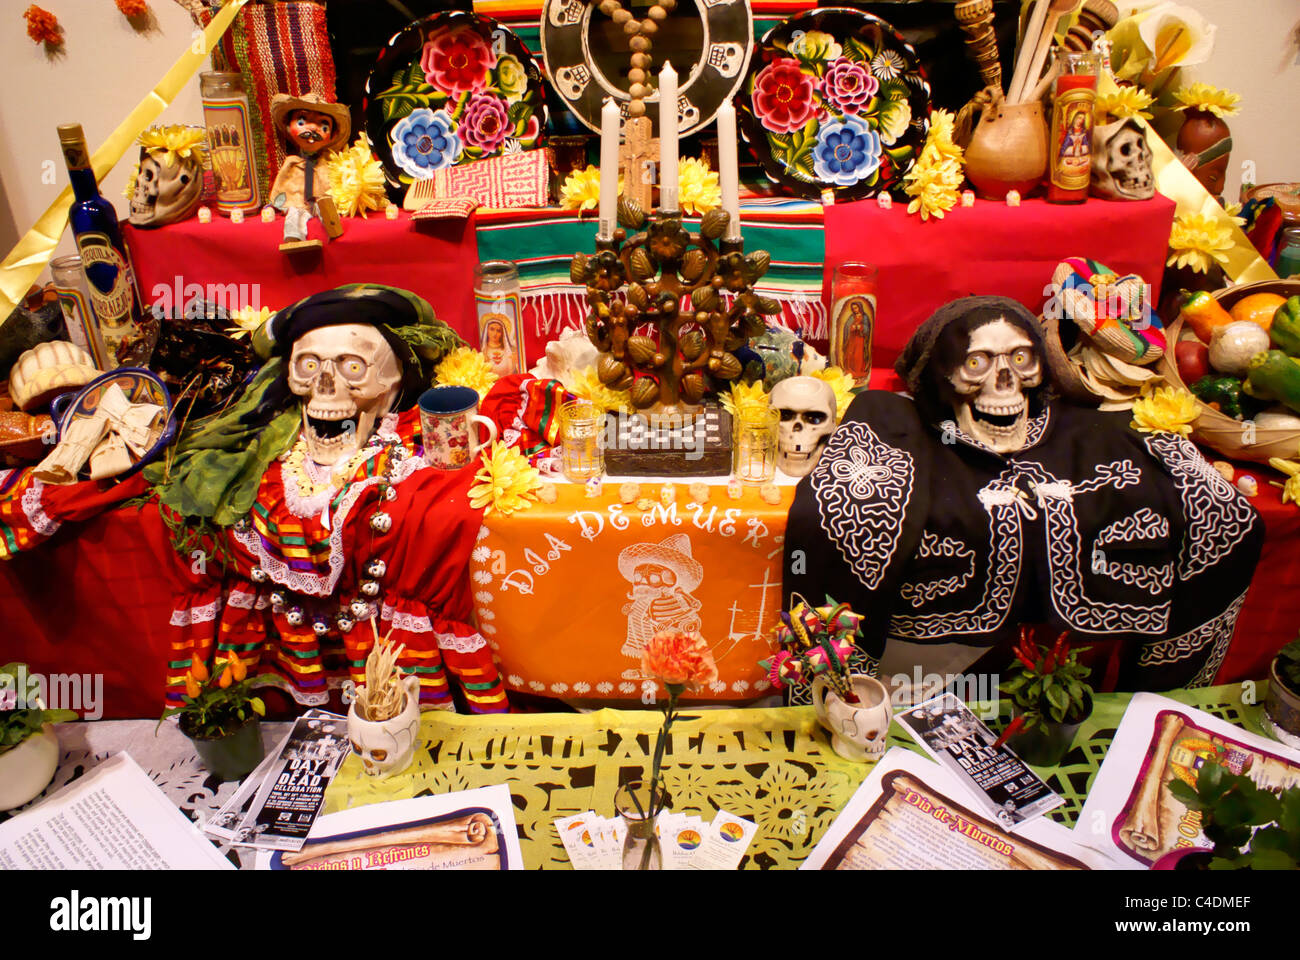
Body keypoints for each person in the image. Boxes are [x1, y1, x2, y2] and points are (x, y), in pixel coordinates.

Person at [839, 298, 870, 377]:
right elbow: (846, 326)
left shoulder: (865, 317)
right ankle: (849, 370)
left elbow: (867, 328)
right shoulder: (852, 317)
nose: (855, 310)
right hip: (851, 338)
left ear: (860, 307)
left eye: (856, 308)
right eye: (853, 308)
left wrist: (861, 327)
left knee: (858, 355)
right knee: (850, 354)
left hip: (860, 339)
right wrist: (851, 327)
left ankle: (858, 372)